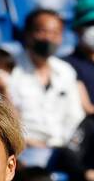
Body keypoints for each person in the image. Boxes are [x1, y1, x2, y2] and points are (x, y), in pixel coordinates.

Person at [5, 8, 88, 150]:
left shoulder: (66, 71)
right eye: (42, 31)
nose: (49, 38)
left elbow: (75, 116)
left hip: (61, 150)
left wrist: (63, 145)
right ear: (28, 34)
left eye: (55, 33)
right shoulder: (11, 70)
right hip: (23, 151)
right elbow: (5, 120)